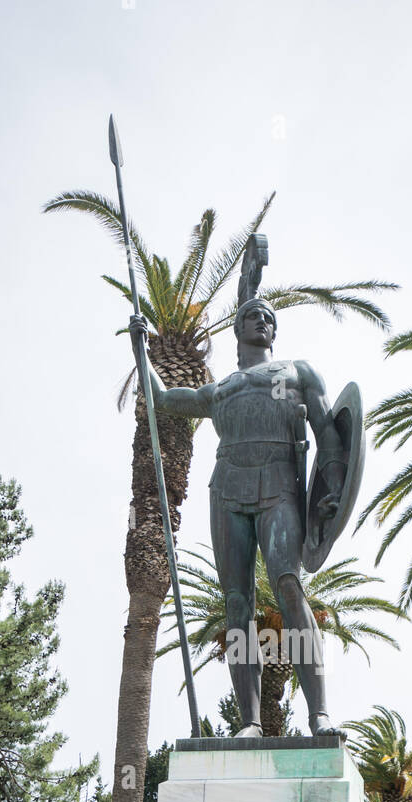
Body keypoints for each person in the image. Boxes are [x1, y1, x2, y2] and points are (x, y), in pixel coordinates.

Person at [129, 300, 347, 736]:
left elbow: (328, 434)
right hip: (227, 488)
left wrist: (335, 487)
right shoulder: (220, 390)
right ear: (237, 329)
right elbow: (163, 400)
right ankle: (249, 722)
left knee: (288, 585)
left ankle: (318, 714)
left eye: (269, 318)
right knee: (236, 603)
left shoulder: (298, 372)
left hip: (281, 485)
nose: (263, 321)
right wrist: (140, 351)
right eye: (254, 315)